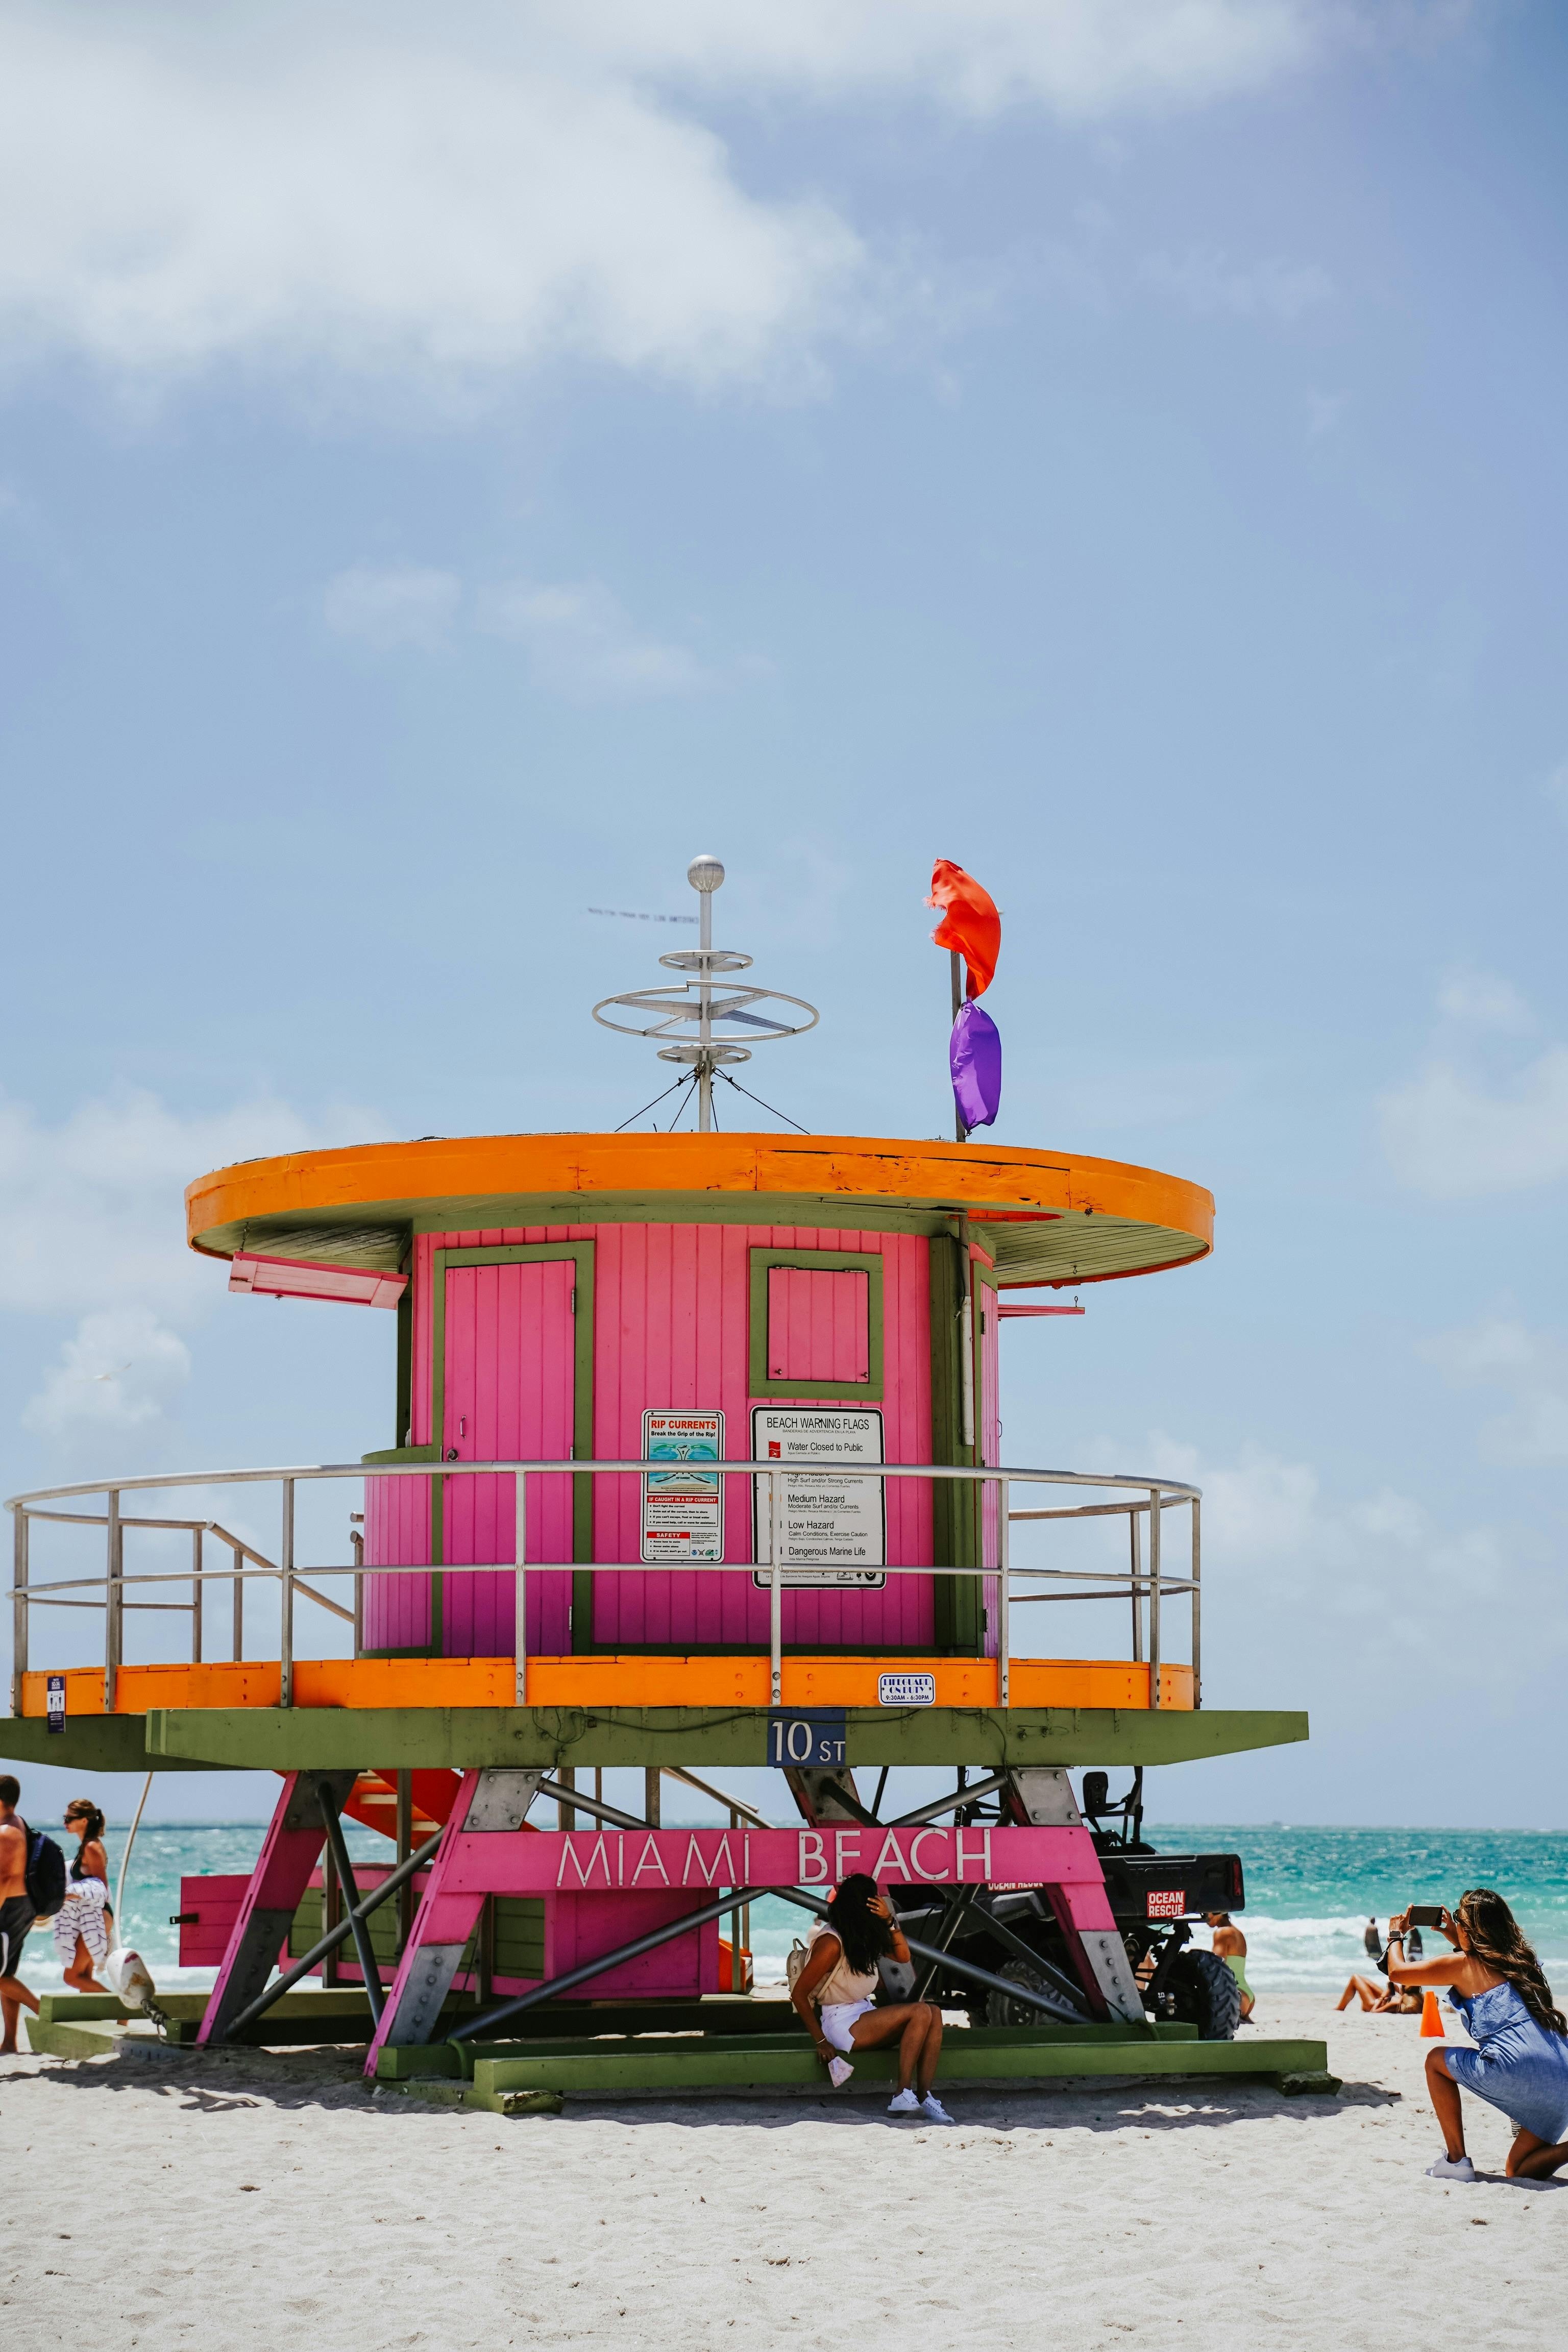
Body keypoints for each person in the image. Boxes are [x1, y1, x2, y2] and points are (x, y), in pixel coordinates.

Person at [1387, 1890, 1568, 2183]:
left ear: (1472, 1931)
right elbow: (1486, 1960)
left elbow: (1398, 1973)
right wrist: (1451, 1930)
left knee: (1435, 2061)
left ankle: (1457, 2160)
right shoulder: (1524, 1964)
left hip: (1518, 2068)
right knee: (1519, 2171)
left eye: (1460, 1919)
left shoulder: (1462, 1965)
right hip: (1563, 2077)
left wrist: (1396, 1935)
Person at [790, 1874, 953, 2123]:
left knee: (934, 2013)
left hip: (863, 2013)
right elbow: (799, 1995)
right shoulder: (831, 1943)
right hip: (840, 2022)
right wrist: (821, 2041)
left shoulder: (861, 1935)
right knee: (920, 2011)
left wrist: (889, 1920)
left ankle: (924, 2096)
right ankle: (902, 2094)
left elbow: (902, 1956)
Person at [54, 1800, 113, 1994]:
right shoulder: (86, 1847)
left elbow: (101, 1887)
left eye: (70, 1818)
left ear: (85, 1820)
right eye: (65, 1818)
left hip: (98, 1916)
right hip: (90, 1916)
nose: (65, 1822)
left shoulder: (91, 1847)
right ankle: (91, 2021)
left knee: (71, 1976)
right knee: (84, 1979)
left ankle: (123, 2010)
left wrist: (73, 1893)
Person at [0, 1775, 41, 2055]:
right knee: (6, 1972)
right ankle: (10, 2041)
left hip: (10, 1906)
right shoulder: (18, 1823)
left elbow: (3, 1878)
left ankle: (44, 2011)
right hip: (19, 1904)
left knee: (0, 1974)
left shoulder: (6, 1832)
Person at [1205, 1911, 1256, 2022]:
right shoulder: (1237, 1932)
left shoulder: (1222, 1932)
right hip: (1246, 1996)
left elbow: (1216, 1965)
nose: (1204, 1916)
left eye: (1206, 1912)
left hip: (1234, 1993)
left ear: (1218, 1912)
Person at [1336, 1972, 1422, 2015]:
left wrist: (1383, 1997)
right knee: (1360, 1978)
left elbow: (1374, 2011)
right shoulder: (1417, 2000)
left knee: (1355, 1978)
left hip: (1372, 2005)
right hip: (1387, 2001)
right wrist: (1396, 1991)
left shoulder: (1395, 2003)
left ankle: (1340, 2008)